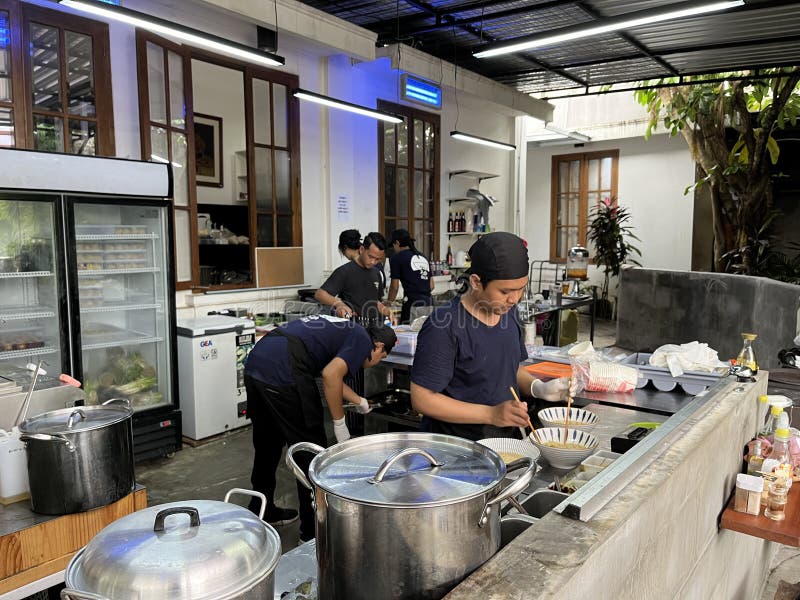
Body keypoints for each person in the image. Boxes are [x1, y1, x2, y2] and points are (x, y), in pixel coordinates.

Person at [244, 315, 397, 541]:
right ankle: (312, 532)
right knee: (310, 450)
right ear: (379, 346)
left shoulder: (345, 329)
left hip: (258, 360)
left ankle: (260, 508)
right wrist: (340, 423)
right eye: (380, 359)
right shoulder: (362, 339)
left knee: (267, 442)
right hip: (285, 367)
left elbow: (335, 376)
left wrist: (359, 400)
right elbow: (330, 375)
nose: (373, 363)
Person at [410, 232, 571, 441]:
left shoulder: (508, 312)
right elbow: (422, 400)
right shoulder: (445, 326)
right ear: (476, 282)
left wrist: (538, 388)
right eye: (505, 291)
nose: (514, 299)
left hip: (504, 442)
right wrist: (491, 414)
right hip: (459, 448)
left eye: (521, 289)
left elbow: (509, 368)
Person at [315, 231, 395, 325]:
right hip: (354, 327)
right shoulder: (345, 271)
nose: (373, 262)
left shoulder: (376, 273)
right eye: (371, 257)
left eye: (378, 259)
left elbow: (375, 301)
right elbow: (320, 294)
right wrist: (339, 304)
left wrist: (386, 311)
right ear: (361, 249)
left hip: (375, 326)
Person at [387, 228, 434, 324]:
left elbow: (394, 287)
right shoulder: (422, 256)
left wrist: (389, 302)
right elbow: (432, 285)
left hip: (412, 304)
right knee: (425, 333)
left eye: (393, 246)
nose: (394, 249)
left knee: (409, 334)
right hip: (429, 304)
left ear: (397, 243)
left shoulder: (397, 258)